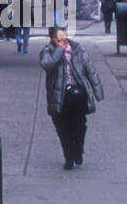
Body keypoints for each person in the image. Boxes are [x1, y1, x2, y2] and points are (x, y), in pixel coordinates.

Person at [39, 25, 104, 170]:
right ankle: (69, 156)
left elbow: (90, 70)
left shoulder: (78, 50)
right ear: (52, 39)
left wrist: (97, 91)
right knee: (62, 128)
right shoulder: (48, 51)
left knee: (79, 126)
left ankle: (78, 151)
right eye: (57, 38)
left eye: (63, 37)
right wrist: (59, 50)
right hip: (59, 96)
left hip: (77, 93)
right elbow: (47, 65)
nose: (61, 40)